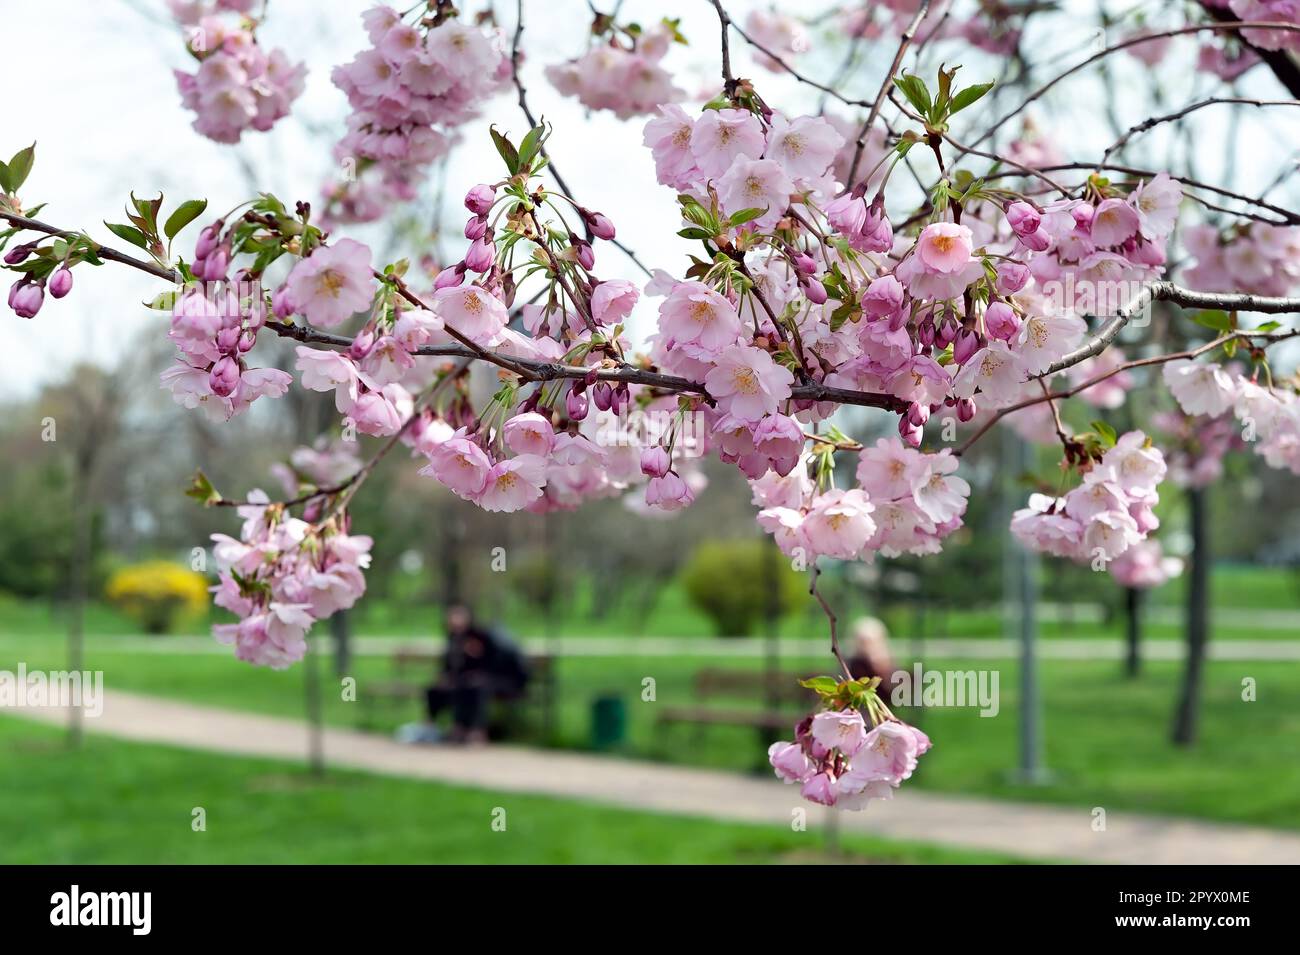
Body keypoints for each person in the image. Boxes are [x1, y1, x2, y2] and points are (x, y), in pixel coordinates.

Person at [420, 604, 530, 744]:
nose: (455, 620)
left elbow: (493, 661)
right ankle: (435, 728)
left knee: (473, 688)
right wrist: (445, 676)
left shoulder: (480, 637)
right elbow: (449, 664)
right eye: (452, 616)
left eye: (459, 616)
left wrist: (477, 674)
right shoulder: (453, 638)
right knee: (438, 688)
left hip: (497, 680)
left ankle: (476, 731)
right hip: (465, 680)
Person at [846, 616, 904, 702]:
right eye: (863, 642)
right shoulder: (852, 665)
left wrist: (883, 669)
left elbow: (895, 692)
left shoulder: (887, 664)